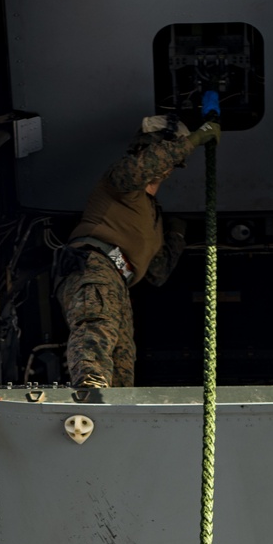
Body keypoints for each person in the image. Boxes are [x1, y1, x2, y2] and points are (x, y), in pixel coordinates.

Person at [55, 115, 221, 388]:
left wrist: (176, 235)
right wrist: (194, 140)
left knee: (122, 358)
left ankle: (114, 404)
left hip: (119, 281)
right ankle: (89, 391)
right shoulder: (120, 182)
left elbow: (157, 272)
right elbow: (141, 169)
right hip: (96, 266)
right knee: (97, 325)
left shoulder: (150, 215)